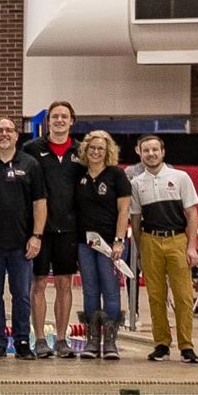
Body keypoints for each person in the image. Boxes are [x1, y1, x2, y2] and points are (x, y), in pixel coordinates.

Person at [0, 116, 46, 360]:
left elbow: (40, 203)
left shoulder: (30, 164)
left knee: (22, 296)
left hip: (21, 243)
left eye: (8, 130)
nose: (4, 134)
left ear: (16, 135)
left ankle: (23, 341)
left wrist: (36, 236)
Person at [129, 134, 198, 364]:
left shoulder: (181, 177)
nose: (151, 154)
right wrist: (140, 251)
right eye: (146, 150)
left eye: (154, 150)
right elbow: (136, 221)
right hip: (150, 241)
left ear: (163, 152)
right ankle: (161, 344)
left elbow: (191, 214)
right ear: (139, 153)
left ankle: (186, 346)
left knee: (183, 296)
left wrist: (191, 247)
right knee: (156, 296)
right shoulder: (136, 183)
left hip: (177, 240)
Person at [22, 101, 82, 357]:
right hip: (40, 229)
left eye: (64, 116)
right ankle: (40, 339)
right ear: (47, 121)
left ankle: (60, 338)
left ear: (71, 121)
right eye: (55, 116)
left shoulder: (82, 151)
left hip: (69, 228)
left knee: (64, 284)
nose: (59, 120)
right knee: (38, 284)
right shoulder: (32, 149)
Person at [73, 130, 131, 359]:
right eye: (92, 148)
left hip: (109, 244)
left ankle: (110, 342)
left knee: (110, 290)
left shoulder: (117, 175)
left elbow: (124, 210)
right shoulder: (79, 175)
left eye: (101, 149)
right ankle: (92, 340)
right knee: (89, 291)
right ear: (86, 151)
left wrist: (119, 241)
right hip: (85, 243)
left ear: (108, 152)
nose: (96, 152)